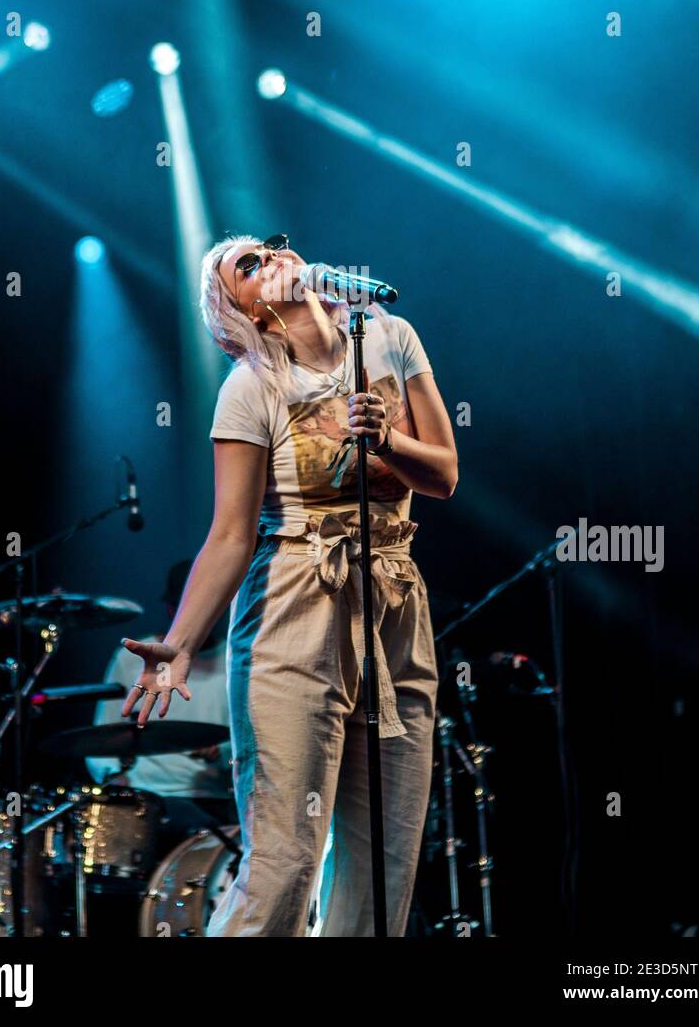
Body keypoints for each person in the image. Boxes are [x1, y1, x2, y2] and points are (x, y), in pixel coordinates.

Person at [121, 233, 458, 937]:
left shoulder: (390, 336)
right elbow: (231, 534)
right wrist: (180, 644)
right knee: (286, 860)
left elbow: (446, 476)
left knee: (386, 863)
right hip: (295, 605)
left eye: (270, 246)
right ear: (240, 312)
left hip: (395, 597)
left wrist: (387, 441)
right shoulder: (251, 387)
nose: (269, 256)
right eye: (246, 264)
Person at [87, 559, 235, 842]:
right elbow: (101, 736)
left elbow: (253, 741)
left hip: (211, 800)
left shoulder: (235, 659)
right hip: (143, 798)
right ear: (171, 609)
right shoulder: (134, 657)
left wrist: (222, 754)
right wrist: (114, 777)